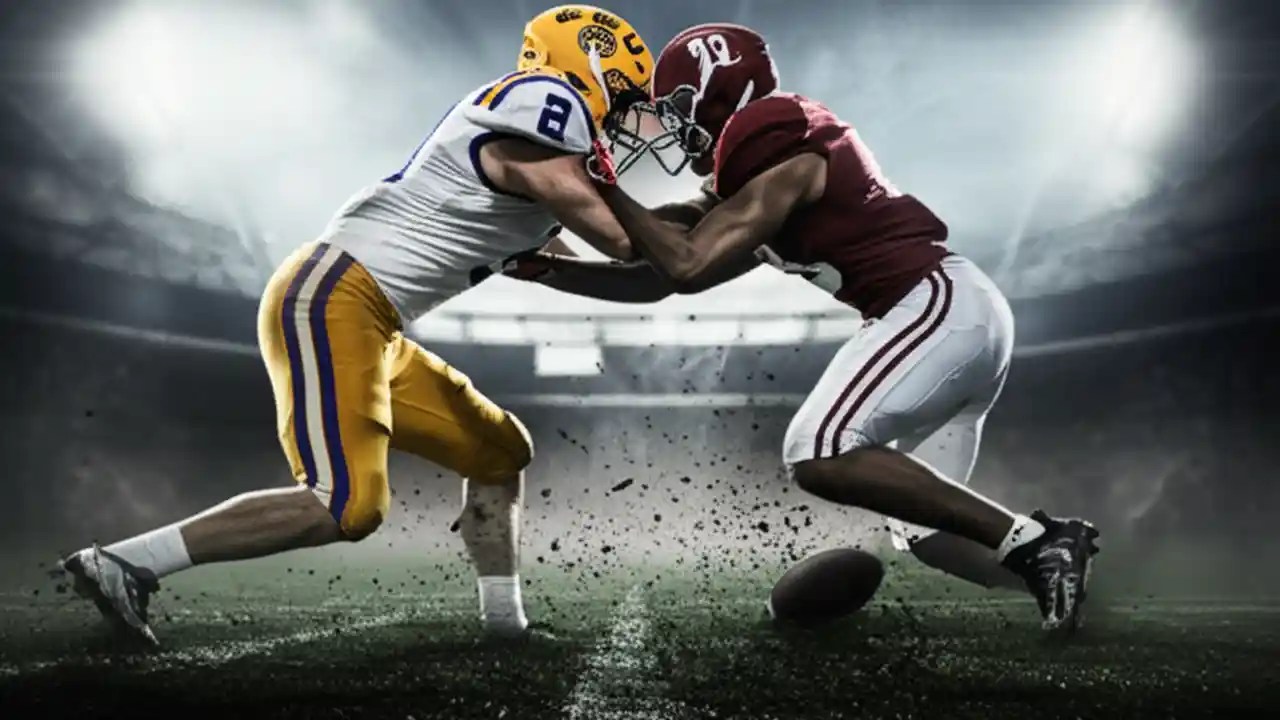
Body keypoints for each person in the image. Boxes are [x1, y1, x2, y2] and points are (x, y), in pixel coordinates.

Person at [60, 4, 656, 645]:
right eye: (622, 98)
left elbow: (617, 272)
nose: (625, 119)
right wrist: (722, 220)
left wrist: (713, 237)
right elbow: (626, 243)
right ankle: (125, 563)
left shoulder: (538, 179)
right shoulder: (545, 97)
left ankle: (504, 627)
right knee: (344, 505)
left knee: (500, 451)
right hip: (335, 295)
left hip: (372, 321)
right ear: (585, 69)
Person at [498, 23, 1100, 634]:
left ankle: (1037, 542)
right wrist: (550, 267)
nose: (678, 126)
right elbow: (653, 270)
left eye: (682, 106)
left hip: (933, 303)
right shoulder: (753, 179)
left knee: (819, 450)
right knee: (928, 536)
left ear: (717, 90)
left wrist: (599, 182)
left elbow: (685, 261)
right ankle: (1057, 571)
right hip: (954, 316)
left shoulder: (776, 128)